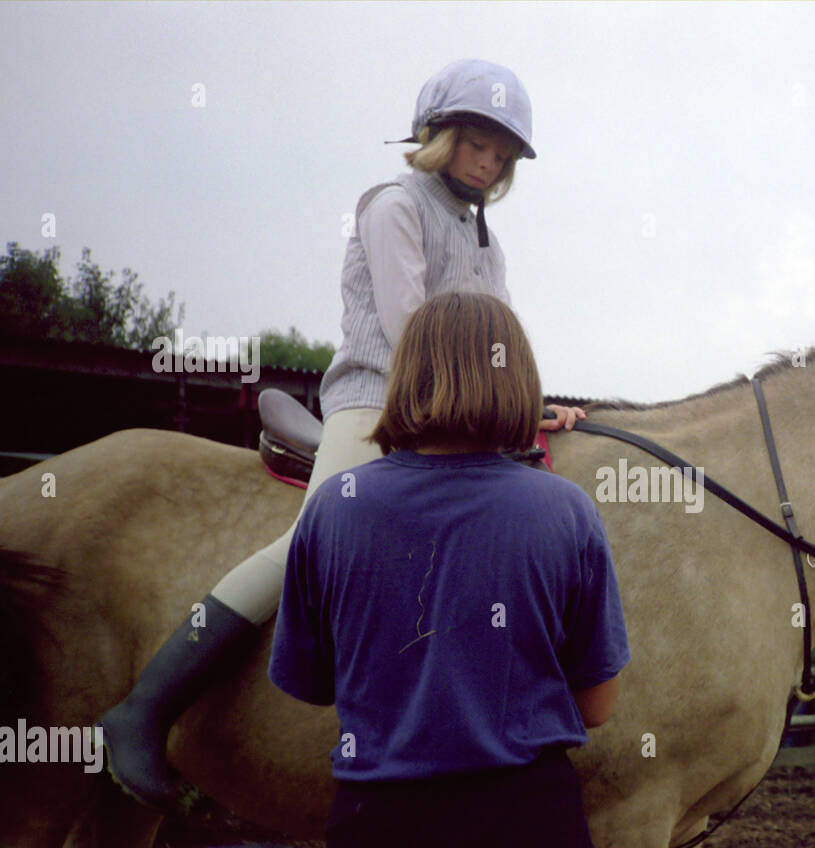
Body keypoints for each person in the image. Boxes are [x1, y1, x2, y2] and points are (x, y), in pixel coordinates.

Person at [98, 59, 584, 808]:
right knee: (309, 542)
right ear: (439, 136)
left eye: (502, 154)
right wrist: (488, 403)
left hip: (461, 412)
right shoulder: (393, 205)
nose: (489, 163)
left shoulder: (486, 242)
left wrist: (531, 401)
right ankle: (143, 709)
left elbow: (500, 339)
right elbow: (408, 330)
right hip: (376, 399)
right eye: (477, 144)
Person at [270, 291, 629, 848]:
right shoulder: (566, 511)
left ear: (405, 377)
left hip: (380, 845)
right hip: (529, 844)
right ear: (517, 378)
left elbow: (311, 684)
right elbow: (597, 706)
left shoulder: (334, 509)